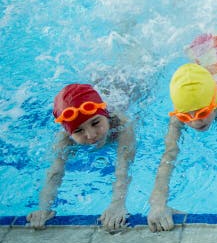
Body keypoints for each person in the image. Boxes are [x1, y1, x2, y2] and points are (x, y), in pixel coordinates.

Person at [148, 31, 217, 232]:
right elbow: (169, 154)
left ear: (215, 101)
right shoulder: (181, 111)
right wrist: (158, 202)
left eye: (202, 112)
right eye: (186, 116)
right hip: (199, 48)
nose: (195, 121)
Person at [27, 84, 136, 231]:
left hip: (129, 89)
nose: (91, 135)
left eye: (96, 123)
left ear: (105, 114)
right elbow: (54, 173)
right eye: (78, 131)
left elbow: (124, 165)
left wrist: (117, 203)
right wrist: (44, 207)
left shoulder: (122, 125)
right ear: (69, 134)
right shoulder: (64, 140)